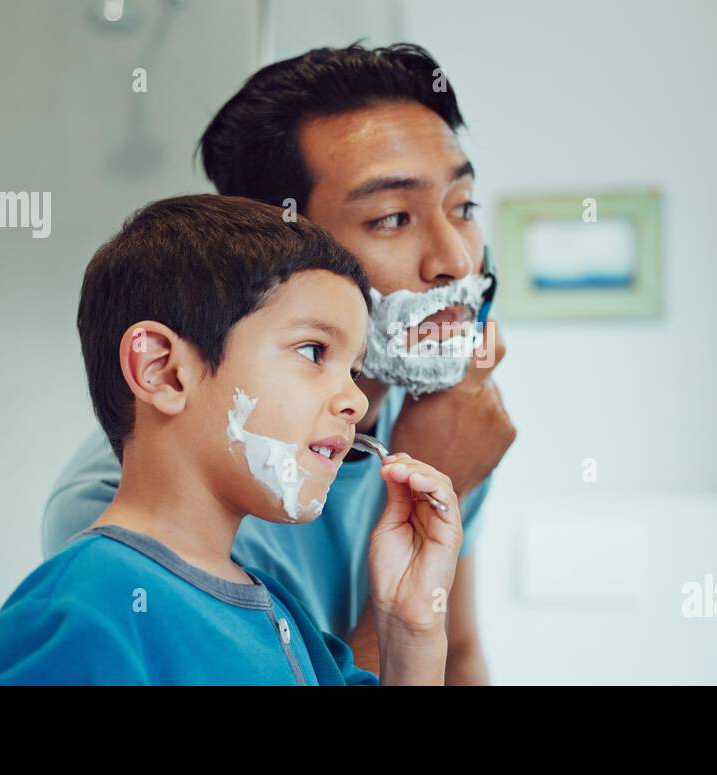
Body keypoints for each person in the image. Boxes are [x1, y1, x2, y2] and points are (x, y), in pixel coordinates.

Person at [42, 44, 516, 683]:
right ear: (279, 244)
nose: (456, 259)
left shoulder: (444, 424)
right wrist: (446, 484)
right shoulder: (132, 514)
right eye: (393, 217)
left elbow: (457, 657)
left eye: (462, 207)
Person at [0, 195, 461, 684]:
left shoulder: (282, 616)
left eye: (354, 370)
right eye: (313, 351)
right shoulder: (84, 608)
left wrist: (410, 627)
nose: (353, 399)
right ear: (163, 371)